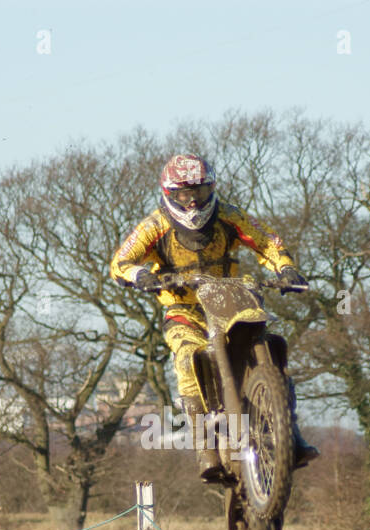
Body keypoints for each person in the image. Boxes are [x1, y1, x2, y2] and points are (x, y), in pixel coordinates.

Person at [110, 153, 320, 482]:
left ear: (212, 189)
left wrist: (286, 268)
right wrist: (141, 276)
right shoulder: (155, 225)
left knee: (272, 345)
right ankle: (205, 447)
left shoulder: (229, 216)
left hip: (231, 300)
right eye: (183, 195)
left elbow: (266, 241)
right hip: (184, 310)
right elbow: (120, 262)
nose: (193, 202)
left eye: (199, 193)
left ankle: (290, 433)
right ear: (169, 195)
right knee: (185, 360)